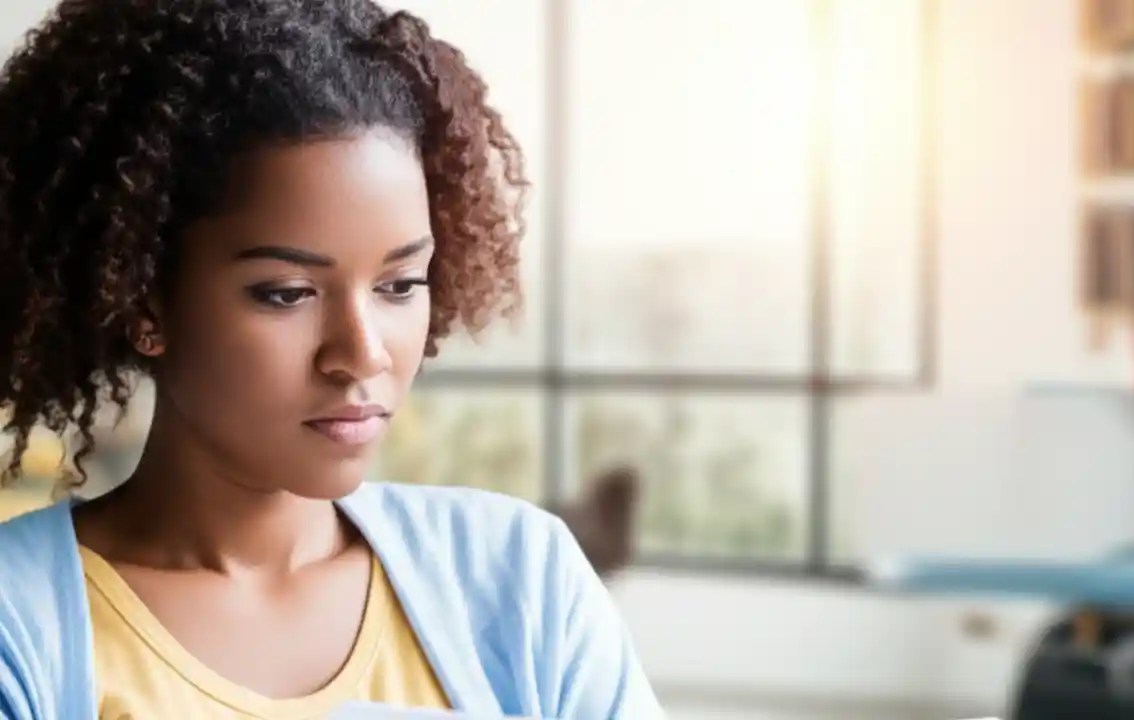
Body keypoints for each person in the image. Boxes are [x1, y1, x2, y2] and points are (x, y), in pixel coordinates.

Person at [0, 0, 662, 717]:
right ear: (144, 304)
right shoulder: (18, 627)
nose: (363, 354)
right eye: (287, 294)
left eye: (400, 285)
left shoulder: (523, 579)